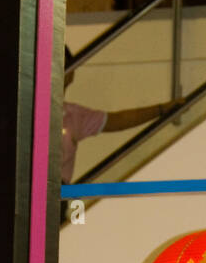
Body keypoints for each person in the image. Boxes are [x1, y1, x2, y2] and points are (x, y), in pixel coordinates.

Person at [62, 47, 183, 186]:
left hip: (56, 195)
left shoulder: (75, 115)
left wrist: (162, 109)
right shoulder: (31, 110)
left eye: (63, 65)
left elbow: (118, 120)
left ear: (72, 74)